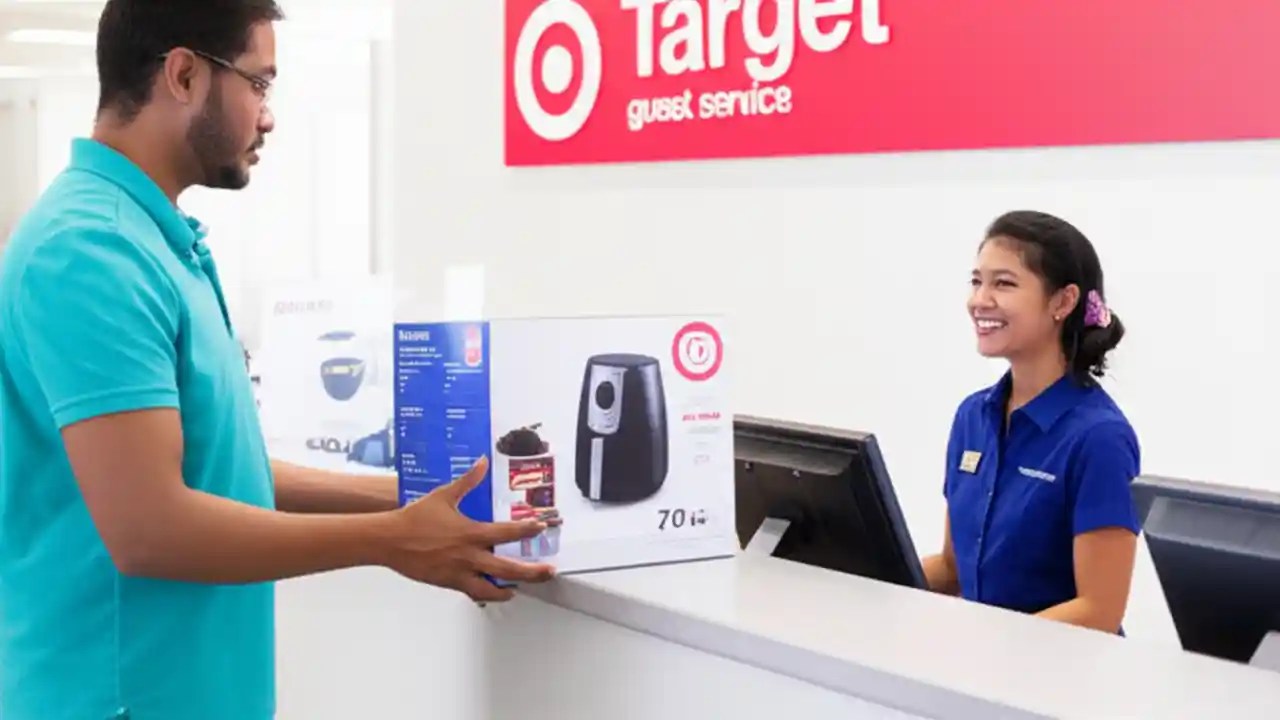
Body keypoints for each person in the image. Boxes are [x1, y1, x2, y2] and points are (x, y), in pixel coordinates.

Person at [0, 3, 553, 719]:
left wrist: (410, 495)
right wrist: (391, 541)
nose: (269, 116)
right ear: (184, 74)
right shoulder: (88, 251)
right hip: (119, 697)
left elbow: (224, 469)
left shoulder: (158, 242)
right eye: (259, 84)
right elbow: (150, 528)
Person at [921, 209, 1140, 634]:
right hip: (978, 675)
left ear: (1063, 301)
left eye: (1003, 283)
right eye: (976, 281)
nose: (979, 300)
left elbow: (1099, 611)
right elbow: (952, 568)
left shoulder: (1099, 438)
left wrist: (990, 651)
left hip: (1059, 685)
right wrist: (858, 582)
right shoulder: (973, 415)